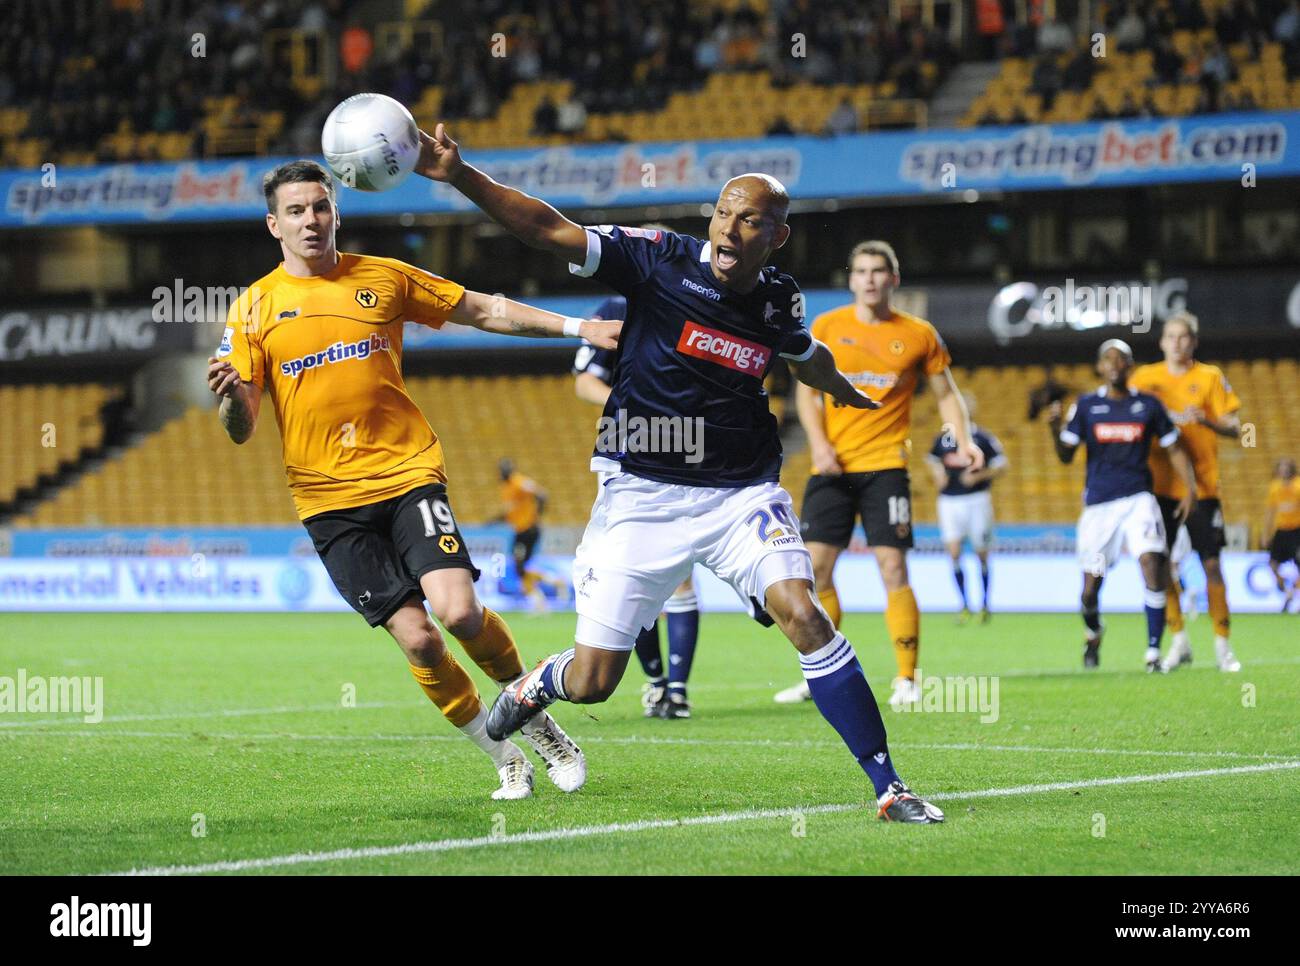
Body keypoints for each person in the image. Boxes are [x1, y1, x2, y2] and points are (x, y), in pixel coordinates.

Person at [416, 123, 947, 822]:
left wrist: (837, 383)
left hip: (741, 494)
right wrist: (462, 177)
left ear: (775, 236)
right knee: (595, 680)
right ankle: (543, 683)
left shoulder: (777, 297)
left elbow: (802, 351)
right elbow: (550, 230)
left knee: (804, 614)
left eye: (750, 219)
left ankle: (889, 786)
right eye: (724, 213)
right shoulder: (656, 258)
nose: (731, 228)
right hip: (642, 495)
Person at [207, 159, 617, 800]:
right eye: (295, 211)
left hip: (407, 473)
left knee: (457, 611)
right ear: (273, 224)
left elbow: (482, 309)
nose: (310, 219)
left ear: (335, 212)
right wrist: (232, 396)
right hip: (329, 502)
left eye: (319, 206)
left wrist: (577, 327)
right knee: (420, 640)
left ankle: (537, 723)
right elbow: (241, 426)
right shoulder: (253, 309)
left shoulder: (383, 279)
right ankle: (503, 755)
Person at [772, 240, 983, 708]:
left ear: (894, 279)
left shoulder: (918, 334)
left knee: (892, 568)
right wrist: (821, 446)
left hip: (886, 467)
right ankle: (819, 671)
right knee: (815, 572)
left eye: (877, 271)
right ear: (851, 280)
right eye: (861, 270)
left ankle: (907, 679)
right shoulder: (826, 326)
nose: (869, 278)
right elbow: (806, 393)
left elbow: (947, 394)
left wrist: (963, 439)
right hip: (832, 467)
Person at [573, 294, 701, 720]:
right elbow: (584, 381)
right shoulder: (613, 307)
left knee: (680, 574)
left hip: (684, 441)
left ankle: (677, 690)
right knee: (630, 572)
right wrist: (633, 401)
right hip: (627, 447)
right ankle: (657, 682)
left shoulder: (698, 301)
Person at [1048, 339, 1197, 671]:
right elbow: (1065, 455)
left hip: (1138, 500)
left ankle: (1153, 653)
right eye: (1108, 359)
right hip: (1100, 508)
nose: (1115, 364)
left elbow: (1174, 447)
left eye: (1122, 359)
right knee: (1090, 589)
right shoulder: (1085, 406)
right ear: (1100, 367)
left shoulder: (1148, 405)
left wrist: (1190, 488)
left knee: (1151, 564)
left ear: (1130, 367)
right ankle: (1093, 632)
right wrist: (1052, 428)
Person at [1131, 312, 1243, 671]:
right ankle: (1179, 642)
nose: (1177, 343)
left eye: (1184, 337)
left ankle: (1223, 648)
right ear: (1162, 342)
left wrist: (1207, 420)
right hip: (1159, 489)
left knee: (1211, 564)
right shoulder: (1146, 379)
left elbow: (1237, 427)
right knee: (1160, 568)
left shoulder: (1209, 377)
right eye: (1171, 337)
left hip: (1203, 488)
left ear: (1193, 342)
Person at [925, 394, 1008, 623]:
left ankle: (984, 604)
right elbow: (932, 460)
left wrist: (980, 475)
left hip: (977, 500)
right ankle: (963, 604)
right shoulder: (943, 439)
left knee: (981, 553)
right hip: (949, 501)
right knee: (954, 552)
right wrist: (937, 474)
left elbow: (1001, 465)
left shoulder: (981, 437)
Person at [492, 458, 564, 609]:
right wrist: (492, 521)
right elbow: (510, 512)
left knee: (519, 566)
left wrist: (535, 517)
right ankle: (548, 587)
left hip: (528, 530)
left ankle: (541, 596)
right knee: (520, 567)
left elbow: (542, 494)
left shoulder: (518, 482)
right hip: (521, 531)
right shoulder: (507, 488)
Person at [1263, 457, 1300, 612]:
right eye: (1281, 467)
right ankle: (1286, 590)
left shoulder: (1298, 486)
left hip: (1297, 530)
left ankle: (1293, 592)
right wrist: (1266, 534)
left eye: (1286, 467)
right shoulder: (1275, 487)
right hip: (1282, 531)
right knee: (1272, 564)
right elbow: (1270, 512)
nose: (1283, 470)